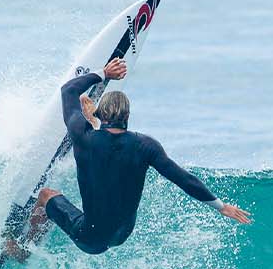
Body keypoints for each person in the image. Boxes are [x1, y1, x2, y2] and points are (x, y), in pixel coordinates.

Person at [16, 58, 251, 256]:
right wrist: (221, 207)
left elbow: (68, 90)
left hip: (89, 237)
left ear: (101, 113)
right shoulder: (146, 146)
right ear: (127, 116)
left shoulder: (83, 137)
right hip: (121, 235)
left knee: (46, 195)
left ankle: (24, 249)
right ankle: (94, 120)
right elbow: (184, 179)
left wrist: (104, 73)